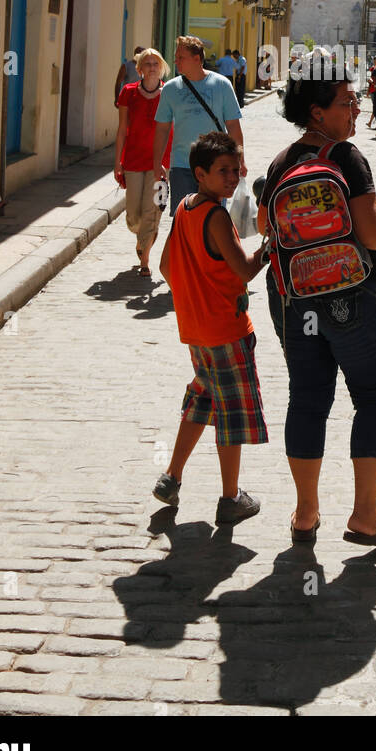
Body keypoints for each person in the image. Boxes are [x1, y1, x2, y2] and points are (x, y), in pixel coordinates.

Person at [257, 51, 376, 550]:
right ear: (318, 111)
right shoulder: (345, 158)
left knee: (307, 398)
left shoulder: (281, 163)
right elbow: (372, 231)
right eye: (348, 102)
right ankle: (365, 517)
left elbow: (264, 228)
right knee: (373, 398)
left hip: (293, 301)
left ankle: (305, 513)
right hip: (351, 301)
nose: (356, 110)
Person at [153, 131, 268, 524]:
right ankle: (230, 497)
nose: (232, 178)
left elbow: (167, 266)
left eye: (235, 170)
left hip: (196, 329)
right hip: (226, 329)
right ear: (200, 173)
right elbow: (245, 270)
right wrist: (269, 245)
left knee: (201, 401)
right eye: (223, 172)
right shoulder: (216, 216)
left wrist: (193, 294)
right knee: (230, 414)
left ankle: (172, 477)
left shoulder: (185, 206)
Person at [152, 36, 246, 217]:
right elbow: (162, 129)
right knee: (184, 218)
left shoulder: (222, 85)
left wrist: (240, 159)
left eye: (181, 57)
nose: (176, 61)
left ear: (197, 59)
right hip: (181, 165)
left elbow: (233, 126)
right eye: (176, 57)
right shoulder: (170, 89)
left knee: (214, 217)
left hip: (217, 166)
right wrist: (157, 164)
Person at [115, 49, 172, 277]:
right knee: (133, 216)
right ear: (139, 69)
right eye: (147, 63)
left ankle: (145, 260)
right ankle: (142, 237)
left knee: (152, 209)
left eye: (155, 63)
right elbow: (121, 131)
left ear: (161, 68)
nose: (151, 67)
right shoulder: (128, 93)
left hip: (161, 162)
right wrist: (117, 162)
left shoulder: (170, 93)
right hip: (133, 159)